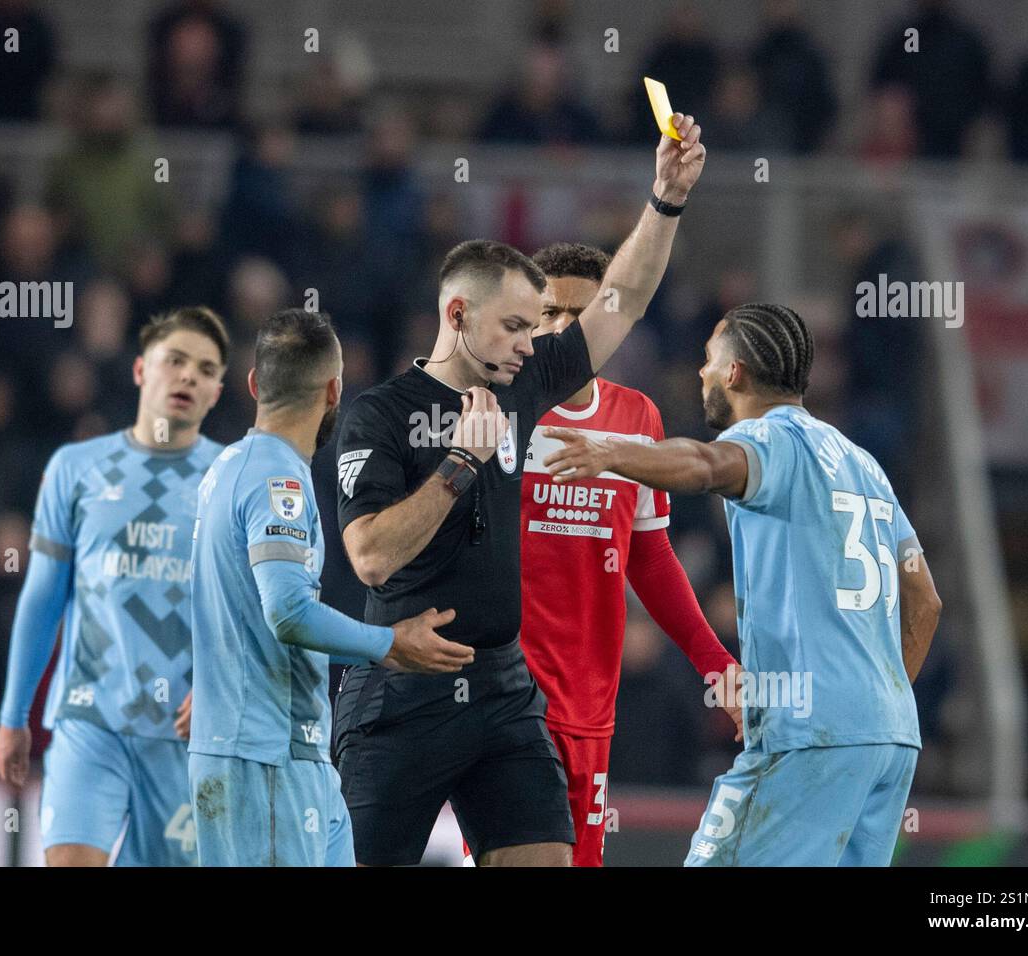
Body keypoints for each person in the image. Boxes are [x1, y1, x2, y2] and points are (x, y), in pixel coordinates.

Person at [333, 114, 707, 866]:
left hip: (506, 694)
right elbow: (371, 558)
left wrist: (664, 201)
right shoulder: (378, 414)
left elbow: (622, 302)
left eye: (533, 328)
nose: (529, 345)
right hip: (405, 695)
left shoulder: (524, 384)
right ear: (457, 315)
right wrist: (458, 467)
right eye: (513, 327)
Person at [542, 303, 942, 866]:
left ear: (733, 372)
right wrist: (874, 703)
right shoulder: (863, 462)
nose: (701, 373)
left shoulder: (770, 440)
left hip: (809, 734)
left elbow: (705, 466)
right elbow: (926, 599)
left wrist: (612, 452)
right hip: (891, 737)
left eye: (708, 360)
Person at [187, 308, 473, 866]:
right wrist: (391, 644)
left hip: (274, 750)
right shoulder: (279, 482)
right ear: (334, 390)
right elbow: (289, 611)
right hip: (266, 755)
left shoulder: (225, 468)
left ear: (253, 384)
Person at [506, 241, 740, 866]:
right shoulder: (498, 409)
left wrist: (716, 663)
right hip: (503, 700)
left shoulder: (636, 418)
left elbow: (651, 558)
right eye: (546, 312)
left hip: (590, 704)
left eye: (576, 315)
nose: (560, 329)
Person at [0, 307, 230, 866]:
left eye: (205, 368)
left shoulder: (232, 479)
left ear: (218, 391)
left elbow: (252, 611)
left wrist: (222, 685)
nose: (188, 376)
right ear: (141, 370)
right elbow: (42, 599)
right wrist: (12, 716)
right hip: (88, 719)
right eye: (175, 361)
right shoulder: (75, 469)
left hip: (185, 736)